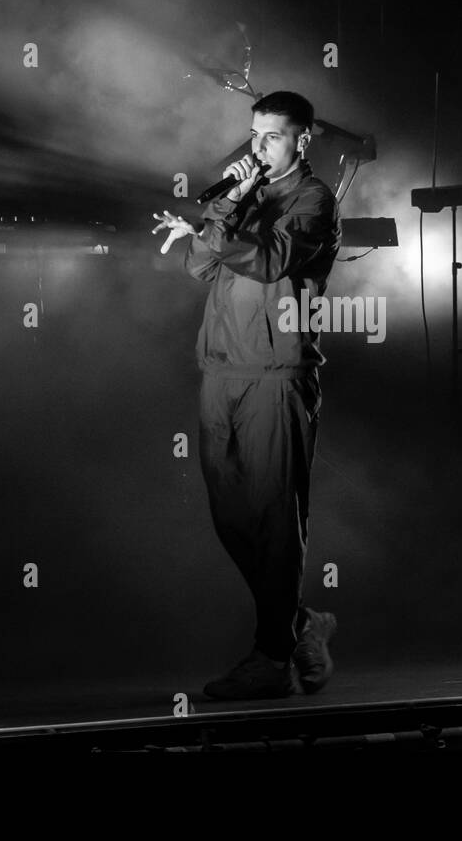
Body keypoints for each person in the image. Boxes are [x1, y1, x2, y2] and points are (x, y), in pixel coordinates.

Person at [151, 91, 339, 700]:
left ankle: (271, 656)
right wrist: (227, 203)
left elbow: (270, 261)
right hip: (221, 368)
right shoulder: (246, 194)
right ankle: (299, 624)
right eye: (254, 133)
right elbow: (200, 268)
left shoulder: (313, 200)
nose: (257, 146)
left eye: (273, 136)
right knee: (231, 516)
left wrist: (224, 222)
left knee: (276, 520)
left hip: (276, 372)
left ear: (302, 140)